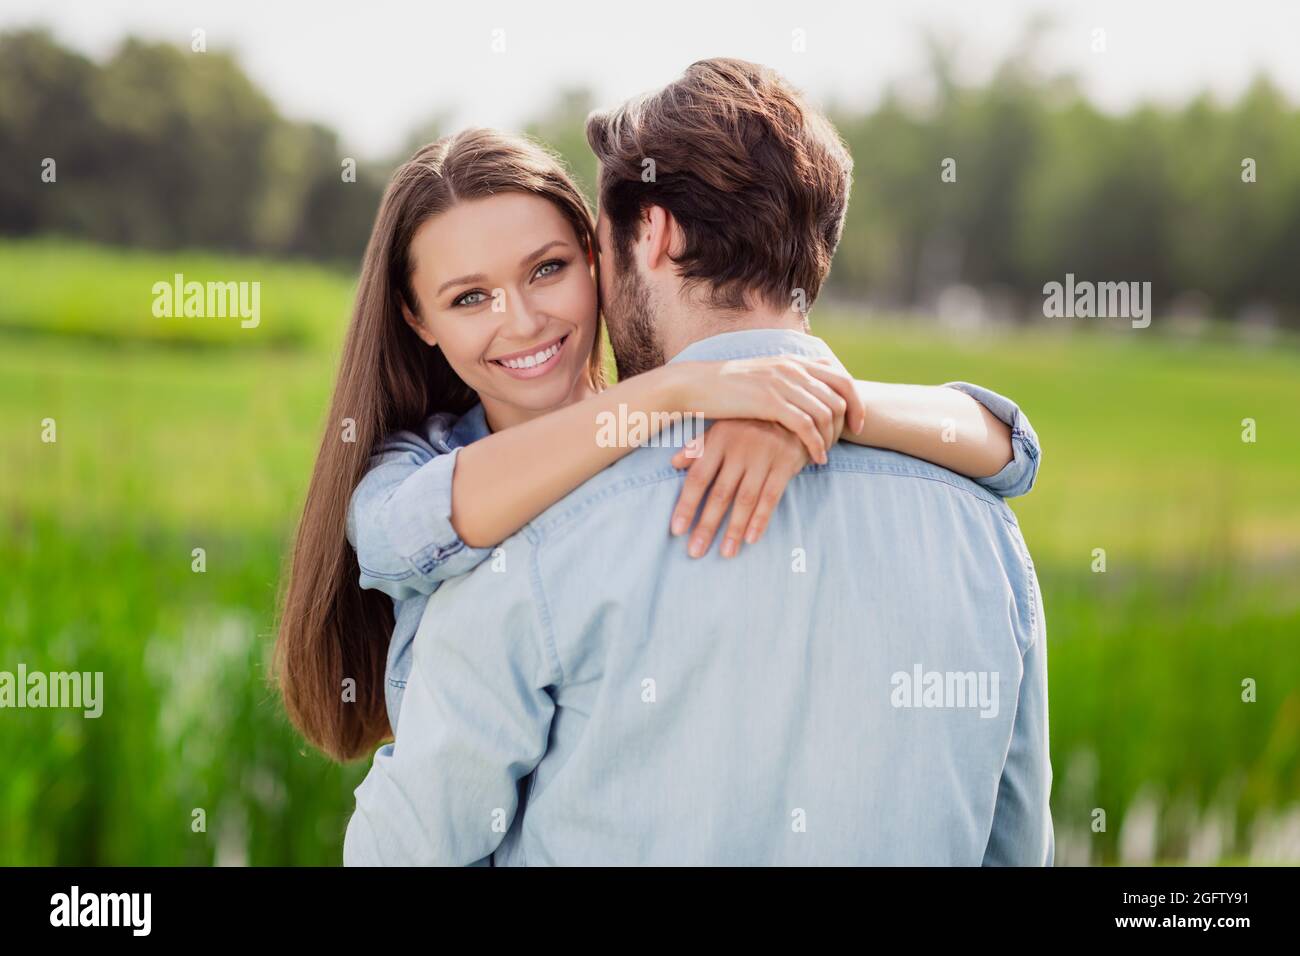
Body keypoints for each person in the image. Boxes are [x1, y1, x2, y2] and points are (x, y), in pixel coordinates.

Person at [340, 58, 1052, 865]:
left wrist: (798, 402)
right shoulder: (987, 535)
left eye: (558, 266)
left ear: (651, 233)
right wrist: (694, 389)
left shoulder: (526, 554)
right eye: (469, 296)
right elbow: (1017, 845)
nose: (525, 318)